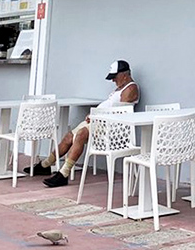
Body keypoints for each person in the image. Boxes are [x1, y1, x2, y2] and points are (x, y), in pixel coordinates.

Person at [26, 59, 139, 188]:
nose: (113, 81)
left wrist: (97, 115)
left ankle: (64, 173)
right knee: (69, 136)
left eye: (115, 77)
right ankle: (46, 165)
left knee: (81, 134)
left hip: (111, 126)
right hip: (99, 120)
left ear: (125, 75)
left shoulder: (131, 89)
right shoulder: (120, 88)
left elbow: (120, 112)